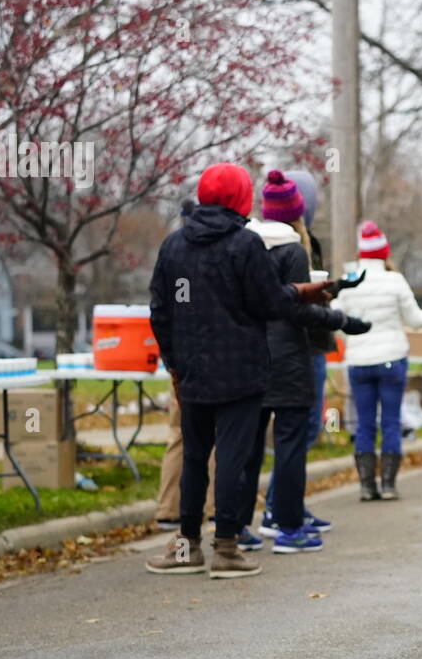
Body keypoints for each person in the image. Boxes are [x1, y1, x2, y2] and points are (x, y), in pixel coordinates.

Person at [145, 163, 361, 578]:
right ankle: (226, 548)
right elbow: (270, 305)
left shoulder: (174, 246)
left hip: (191, 373)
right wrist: (302, 291)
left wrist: (174, 365)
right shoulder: (244, 245)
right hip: (241, 371)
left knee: (194, 456)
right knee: (231, 455)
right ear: (241, 198)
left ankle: (186, 546)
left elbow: (160, 312)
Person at [241, 170, 369, 554]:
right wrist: (342, 320)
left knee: (247, 449)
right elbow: (295, 308)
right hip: (290, 360)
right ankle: (288, 529)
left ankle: (238, 529)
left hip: (250, 357)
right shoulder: (293, 249)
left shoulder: (247, 245)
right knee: (291, 444)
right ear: (298, 213)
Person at [331, 220, 422, 501]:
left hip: (359, 360)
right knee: (389, 420)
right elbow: (416, 320)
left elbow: (337, 321)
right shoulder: (394, 280)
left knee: (363, 423)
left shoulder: (348, 280)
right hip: (391, 359)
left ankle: (365, 486)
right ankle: (387, 485)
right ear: (384, 252)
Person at [258, 170, 337, 538]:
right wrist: (335, 314)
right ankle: (278, 511)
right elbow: (290, 302)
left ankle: (290, 507)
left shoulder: (308, 243)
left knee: (302, 432)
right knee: (295, 432)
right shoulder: (284, 247)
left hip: (308, 344)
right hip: (295, 349)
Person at [153, 200, 214, 531]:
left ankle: (167, 508)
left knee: (178, 434)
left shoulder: (171, 253)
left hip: (179, 361)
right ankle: (213, 506)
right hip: (208, 359)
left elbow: (160, 309)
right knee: (214, 436)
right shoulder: (209, 252)